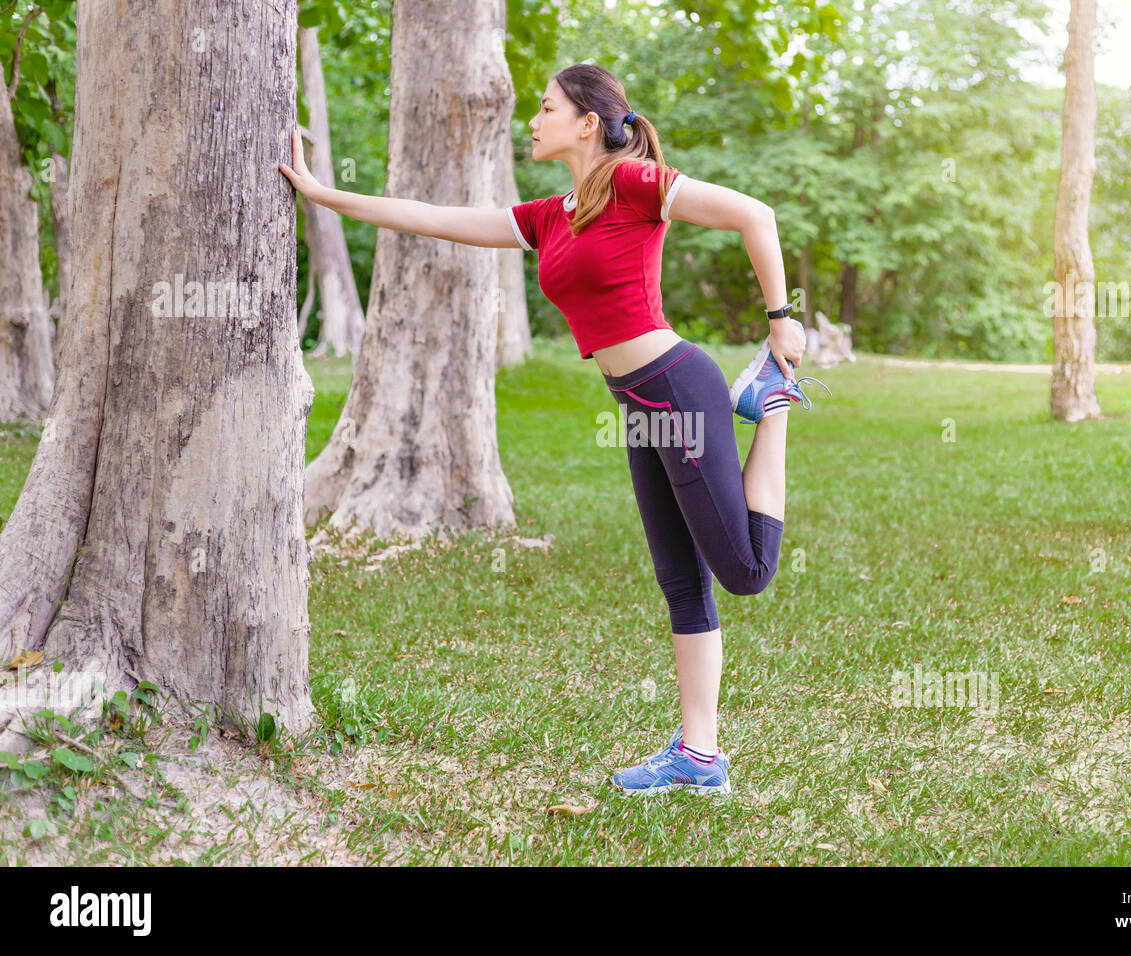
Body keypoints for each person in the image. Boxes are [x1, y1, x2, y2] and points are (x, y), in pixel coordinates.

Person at [280, 62, 829, 798]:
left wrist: (780, 321)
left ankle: (773, 400)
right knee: (680, 582)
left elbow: (755, 215)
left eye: (544, 109)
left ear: (586, 123)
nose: (530, 121)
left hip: (677, 388)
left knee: (746, 571)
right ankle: (700, 756)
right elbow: (432, 216)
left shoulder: (637, 184)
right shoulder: (551, 215)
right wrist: (322, 194)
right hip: (640, 402)